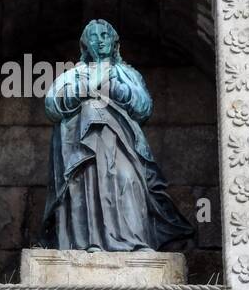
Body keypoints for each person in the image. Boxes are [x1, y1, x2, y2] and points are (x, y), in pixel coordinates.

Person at [41, 19, 194, 252]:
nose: (100, 41)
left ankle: (135, 241)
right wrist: (85, 90)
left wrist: (114, 87)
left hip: (122, 142)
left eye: (105, 36)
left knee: (127, 180)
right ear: (85, 44)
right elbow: (52, 105)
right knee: (88, 187)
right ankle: (87, 242)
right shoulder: (74, 74)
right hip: (83, 147)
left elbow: (143, 107)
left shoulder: (127, 73)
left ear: (114, 42)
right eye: (93, 36)